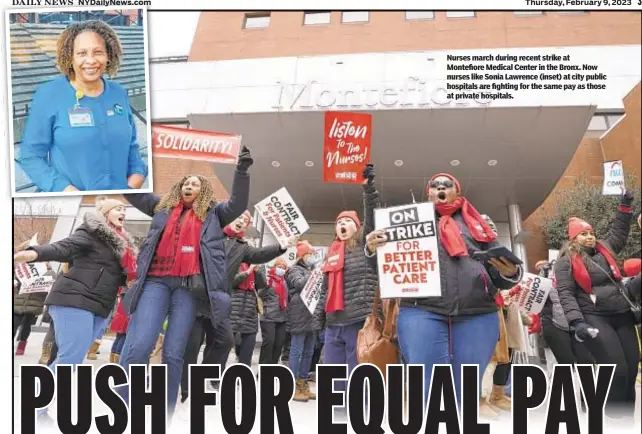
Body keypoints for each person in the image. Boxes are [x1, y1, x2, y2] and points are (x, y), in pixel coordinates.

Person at [366, 172, 523, 419]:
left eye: (446, 185)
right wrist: (373, 250)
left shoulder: (477, 223)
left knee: (466, 389)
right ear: (428, 193)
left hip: (477, 313)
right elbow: (385, 268)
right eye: (435, 185)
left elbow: (499, 271)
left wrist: (510, 272)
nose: (440, 187)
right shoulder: (406, 223)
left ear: (456, 191)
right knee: (428, 384)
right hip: (421, 310)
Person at [117, 146, 253, 418]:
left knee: (173, 353)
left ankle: (165, 414)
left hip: (188, 289)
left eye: (196, 184)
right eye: (187, 182)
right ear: (179, 187)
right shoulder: (161, 207)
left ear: (203, 192)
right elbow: (131, 192)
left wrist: (241, 170)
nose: (190, 185)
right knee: (140, 346)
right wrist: (126, 160)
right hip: (156, 282)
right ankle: (127, 409)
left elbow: (238, 203)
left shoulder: (215, 214)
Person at [13, 197, 137, 423]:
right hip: (75, 300)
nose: (123, 212)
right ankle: (35, 408)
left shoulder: (122, 244)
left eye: (124, 209)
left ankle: (36, 401)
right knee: (70, 358)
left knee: (71, 358)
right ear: (104, 213)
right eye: (117, 208)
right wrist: (34, 253)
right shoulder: (91, 232)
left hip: (99, 306)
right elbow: (63, 247)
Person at [17, 20, 147, 193]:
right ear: (70, 57)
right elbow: (30, 157)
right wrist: (67, 191)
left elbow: (131, 147)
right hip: (72, 203)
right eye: (82, 53)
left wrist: (135, 180)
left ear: (109, 55)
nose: (91, 60)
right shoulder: (49, 94)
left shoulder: (118, 93)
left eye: (98, 52)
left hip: (119, 204)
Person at [555, 191, 638, 420]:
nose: (590, 237)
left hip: (622, 314)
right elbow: (566, 294)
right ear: (573, 238)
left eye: (591, 233)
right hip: (594, 317)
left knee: (631, 368)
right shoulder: (564, 264)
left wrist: (624, 206)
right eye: (583, 234)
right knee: (616, 370)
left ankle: (626, 420)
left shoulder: (607, 249)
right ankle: (611, 418)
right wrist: (577, 322)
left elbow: (620, 231)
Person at [314, 163, 381, 413]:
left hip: (356, 319)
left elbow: (371, 214)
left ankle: (359, 406)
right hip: (334, 321)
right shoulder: (330, 254)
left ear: (356, 226)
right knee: (333, 367)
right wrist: (319, 319)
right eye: (339, 221)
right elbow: (323, 289)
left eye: (347, 221)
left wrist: (368, 189)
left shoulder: (364, 245)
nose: (341, 224)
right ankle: (338, 406)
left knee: (358, 365)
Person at [205, 212, 291, 388]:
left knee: (247, 348)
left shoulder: (249, 257)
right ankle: (213, 377)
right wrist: (247, 271)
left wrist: (257, 271)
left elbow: (262, 286)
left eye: (246, 221)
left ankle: (241, 376)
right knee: (223, 342)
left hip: (250, 312)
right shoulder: (227, 252)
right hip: (232, 307)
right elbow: (232, 281)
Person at [285, 240, 320, 402]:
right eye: (309, 254)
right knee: (297, 350)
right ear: (301, 256)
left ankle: (303, 382)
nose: (312, 257)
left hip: (312, 315)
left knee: (308, 352)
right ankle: (292, 385)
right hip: (299, 313)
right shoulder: (294, 270)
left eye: (313, 254)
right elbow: (299, 284)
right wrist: (314, 275)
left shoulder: (312, 270)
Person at [13, 253, 48, 356]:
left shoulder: (48, 272)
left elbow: (47, 288)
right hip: (20, 300)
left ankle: (21, 345)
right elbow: (17, 282)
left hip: (34, 302)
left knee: (26, 325)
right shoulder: (24, 269)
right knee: (14, 323)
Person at [258, 258, 290, 366]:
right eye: (279, 267)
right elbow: (259, 295)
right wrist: (266, 285)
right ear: (274, 267)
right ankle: (264, 368)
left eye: (283, 268)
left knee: (279, 343)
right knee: (269, 343)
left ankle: (273, 367)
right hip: (268, 317)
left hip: (282, 317)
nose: (281, 269)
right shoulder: (268, 279)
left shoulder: (284, 281)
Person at [108, 287, 130, 364]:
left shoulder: (123, 290)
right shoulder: (131, 293)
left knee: (118, 337)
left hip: (119, 316)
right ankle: (117, 360)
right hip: (126, 318)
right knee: (123, 338)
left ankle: (112, 358)